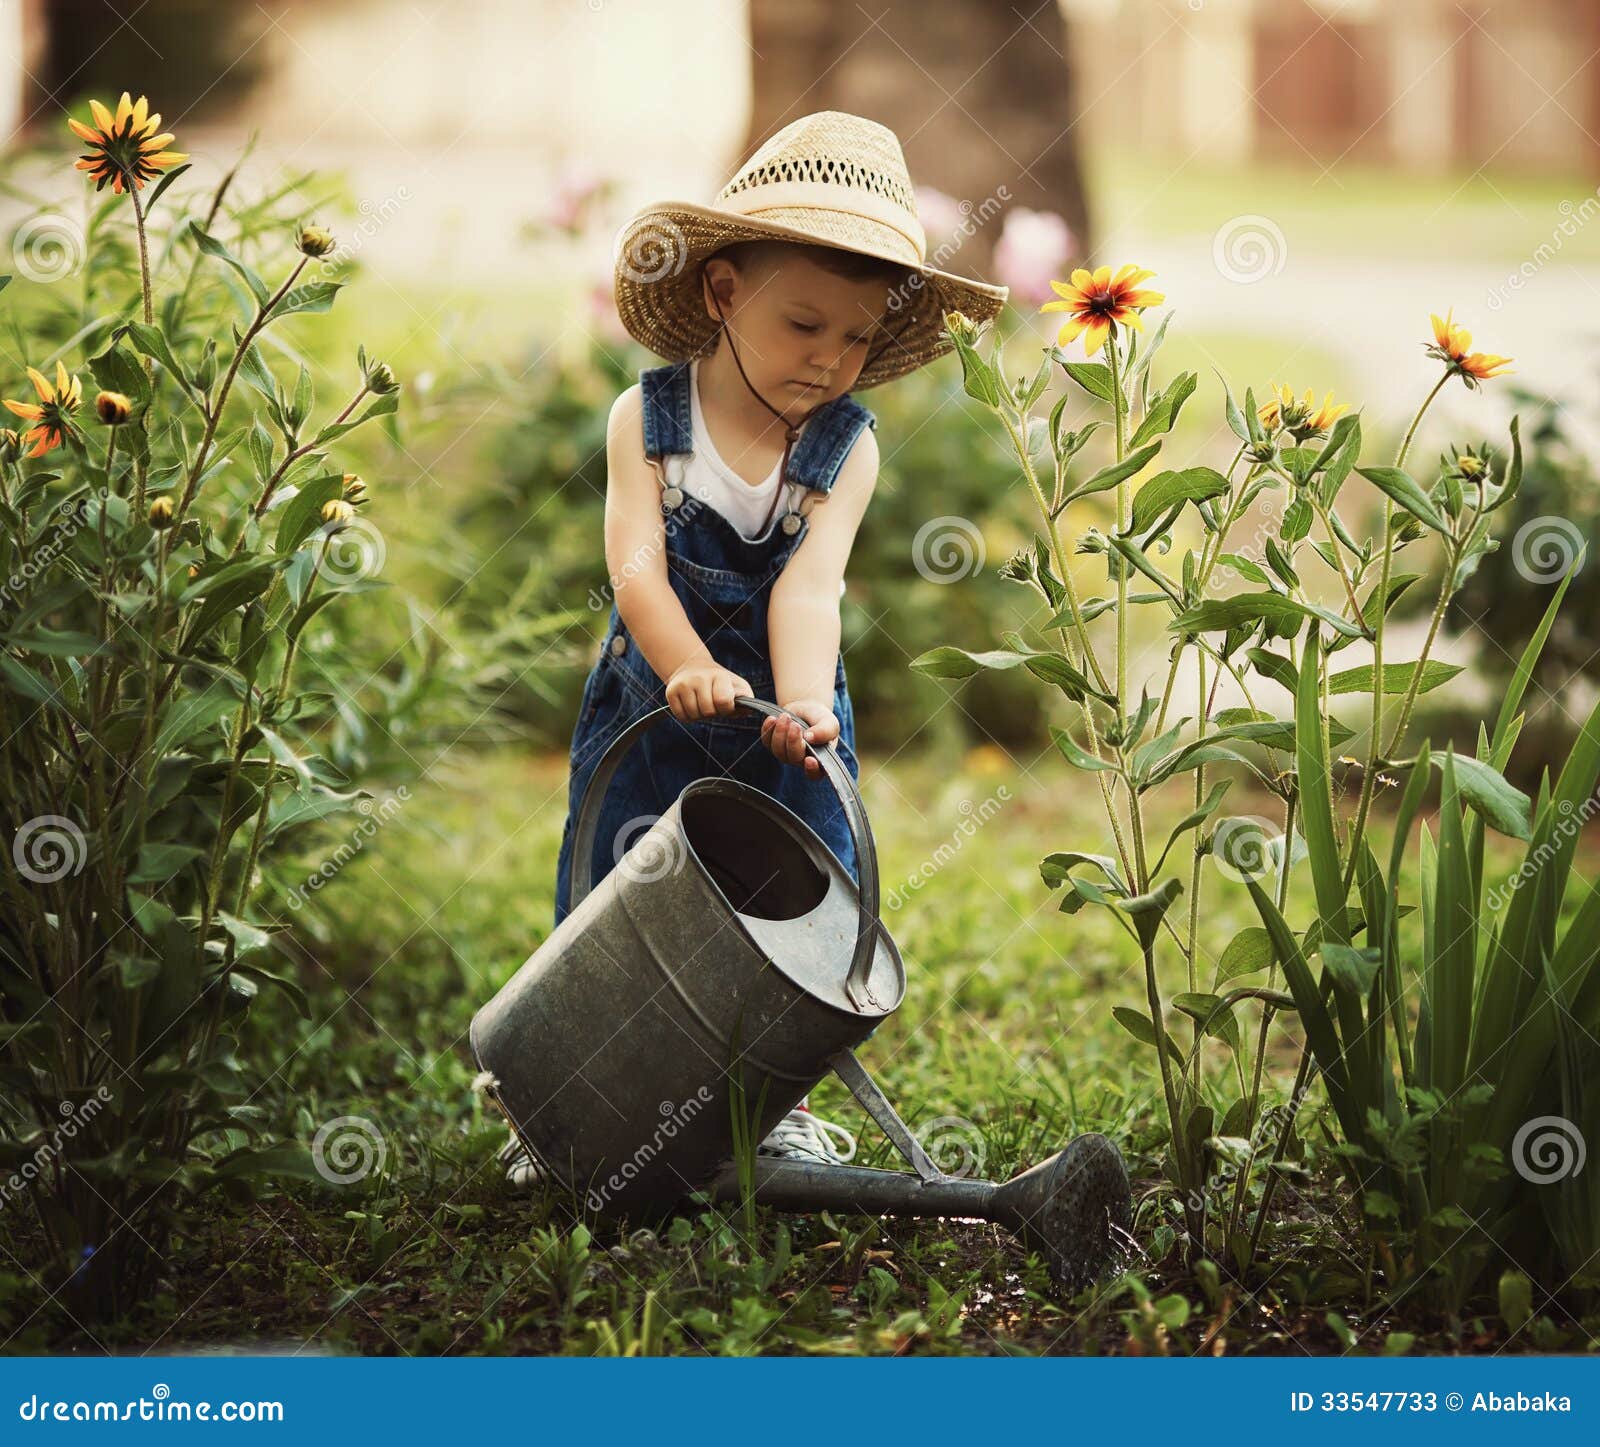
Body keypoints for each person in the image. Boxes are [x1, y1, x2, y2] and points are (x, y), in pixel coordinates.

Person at [503, 110, 1007, 1190]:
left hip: (781, 706)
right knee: (616, 893)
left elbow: (807, 585)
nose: (830, 361)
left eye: (858, 338)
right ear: (725, 293)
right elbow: (636, 567)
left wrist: (797, 704)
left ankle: (766, 1112)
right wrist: (684, 659)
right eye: (804, 325)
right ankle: (563, 1099)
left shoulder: (844, 446)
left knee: (795, 899)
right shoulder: (646, 420)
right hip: (655, 698)